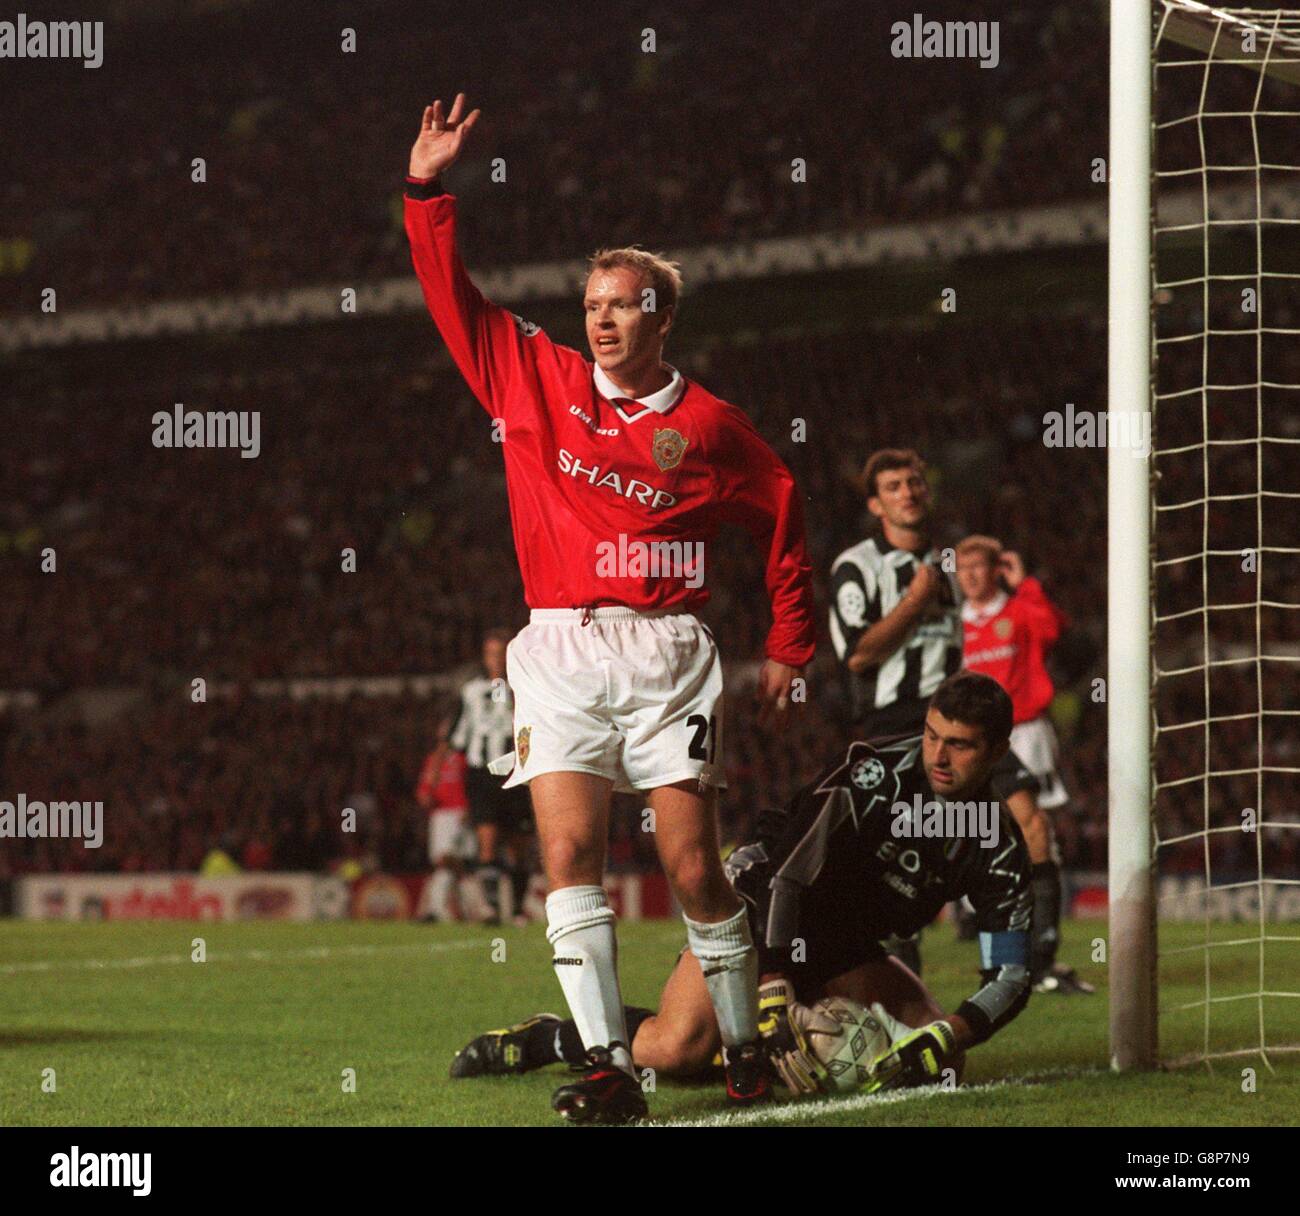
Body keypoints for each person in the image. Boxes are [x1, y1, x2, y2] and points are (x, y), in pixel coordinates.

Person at [405, 95, 816, 1122]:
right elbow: (451, 296)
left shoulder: (712, 426)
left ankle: (742, 1052)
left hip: (668, 652)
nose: (599, 315)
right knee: (567, 857)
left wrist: (790, 641)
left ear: (659, 316)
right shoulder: (531, 377)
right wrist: (427, 191)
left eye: (621, 302)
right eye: (591, 301)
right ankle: (608, 1065)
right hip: (555, 646)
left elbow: (782, 506)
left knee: (689, 863)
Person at [450, 672, 1033, 1096]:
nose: (939, 755)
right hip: (761, 904)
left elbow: (1010, 974)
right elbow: (788, 873)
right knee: (678, 1049)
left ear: (998, 752)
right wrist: (776, 981)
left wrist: (949, 1033)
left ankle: (757, 1046)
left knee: (943, 1063)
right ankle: (546, 1040)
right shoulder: (874, 776)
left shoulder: (997, 843)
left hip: (847, 946)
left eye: (960, 745)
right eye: (933, 735)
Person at [828, 448, 1038, 973]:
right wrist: (912, 604)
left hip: (958, 725)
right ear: (876, 504)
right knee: (893, 861)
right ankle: (898, 985)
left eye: (915, 482)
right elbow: (858, 655)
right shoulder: (858, 566)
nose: (909, 492)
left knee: (1023, 822)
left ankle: (1022, 964)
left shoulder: (946, 563)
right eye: (894, 486)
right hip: (894, 728)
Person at [956, 535, 1093, 994]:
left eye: (981, 566)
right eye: (964, 568)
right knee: (990, 833)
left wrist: (1026, 586)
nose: (972, 576)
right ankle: (1006, 949)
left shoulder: (1018, 611)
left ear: (997, 569)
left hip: (1027, 732)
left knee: (1037, 835)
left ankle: (1041, 956)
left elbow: (1054, 631)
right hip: (975, 740)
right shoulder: (954, 625)